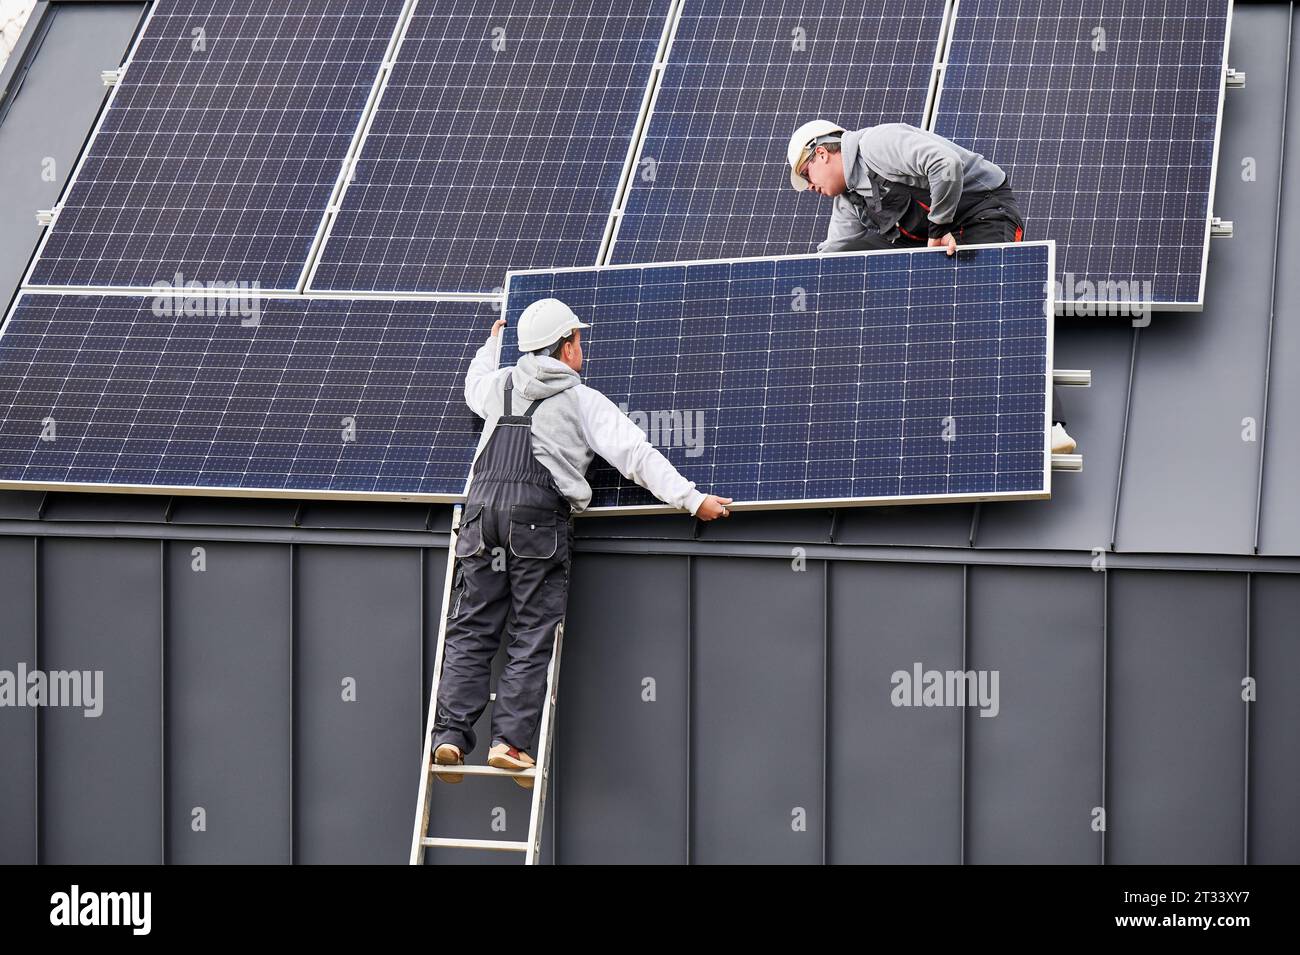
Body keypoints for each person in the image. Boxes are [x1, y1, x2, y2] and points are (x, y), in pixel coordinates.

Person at [430, 298, 732, 787]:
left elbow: (471, 386)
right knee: (531, 631)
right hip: (535, 524)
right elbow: (635, 454)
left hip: (480, 517)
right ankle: (508, 744)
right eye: (578, 340)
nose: (582, 348)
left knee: (471, 629)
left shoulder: (499, 385)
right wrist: (692, 500)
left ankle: (449, 735)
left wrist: (490, 345)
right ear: (564, 346)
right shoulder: (582, 399)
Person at [788, 119, 1077, 454]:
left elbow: (944, 163)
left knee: (991, 310)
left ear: (821, 154)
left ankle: (1049, 425)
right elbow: (833, 255)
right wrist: (798, 294)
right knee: (854, 263)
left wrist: (939, 228)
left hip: (981, 215)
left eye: (806, 175)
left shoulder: (878, 144)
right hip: (935, 238)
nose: (809, 186)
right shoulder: (850, 201)